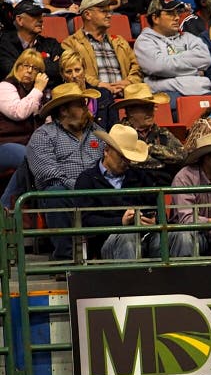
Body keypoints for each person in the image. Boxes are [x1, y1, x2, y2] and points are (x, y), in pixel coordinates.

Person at [73, 124, 193, 260]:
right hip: (108, 242)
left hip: (147, 237)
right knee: (127, 236)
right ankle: (133, 280)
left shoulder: (142, 177)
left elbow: (159, 212)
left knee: (182, 235)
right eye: (121, 157)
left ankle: (180, 279)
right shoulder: (87, 180)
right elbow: (85, 220)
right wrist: (121, 222)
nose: (126, 162)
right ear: (106, 151)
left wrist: (155, 221)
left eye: (128, 158)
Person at [26, 82, 105, 260]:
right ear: (63, 110)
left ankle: (107, 254)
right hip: (66, 191)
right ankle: (66, 259)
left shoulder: (98, 132)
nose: (87, 108)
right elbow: (48, 173)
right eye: (80, 104)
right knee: (55, 193)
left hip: (97, 190)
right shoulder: (44, 135)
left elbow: (109, 164)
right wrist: (82, 187)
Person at [134, 0, 211, 111]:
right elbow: (158, 67)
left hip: (202, 91)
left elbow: (205, 59)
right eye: (170, 14)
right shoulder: (145, 41)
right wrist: (194, 69)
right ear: (155, 18)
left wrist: (169, 62)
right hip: (169, 94)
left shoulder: (188, 37)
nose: (177, 18)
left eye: (177, 13)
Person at [62, 0, 142, 100]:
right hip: (93, 99)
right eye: (103, 11)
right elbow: (72, 73)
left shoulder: (120, 41)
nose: (109, 15)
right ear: (87, 15)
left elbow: (137, 68)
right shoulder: (70, 44)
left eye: (109, 11)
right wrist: (99, 85)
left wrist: (128, 82)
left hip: (126, 98)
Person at [0, 49, 47, 208]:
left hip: (30, 146)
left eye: (35, 69)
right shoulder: (5, 86)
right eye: (25, 65)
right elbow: (18, 112)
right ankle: (5, 207)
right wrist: (38, 90)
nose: (29, 71)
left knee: (38, 160)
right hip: (5, 145)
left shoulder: (39, 95)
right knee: (31, 158)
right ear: (17, 66)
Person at [115, 83, 187, 186]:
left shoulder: (162, 133)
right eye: (145, 108)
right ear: (130, 111)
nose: (150, 112)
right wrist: (164, 161)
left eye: (152, 107)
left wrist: (150, 149)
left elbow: (182, 157)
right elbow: (129, 163)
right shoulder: (120, 132)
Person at [0, 0, 62, 85]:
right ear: (19, 20)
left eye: (41, 15)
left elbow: (62, 69)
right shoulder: (4, 45)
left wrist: (28, 69)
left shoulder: (51, 43)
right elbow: (14, 73)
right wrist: (48, 63)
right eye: (34, 15)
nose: (41, 19)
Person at [58, 48, 116, 131]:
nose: (74, 75)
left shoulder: (104, 95)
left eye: (77, 70)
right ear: (62, 75)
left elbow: (114, 127)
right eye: (68, 72)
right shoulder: (58, 101)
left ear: (84, 70)